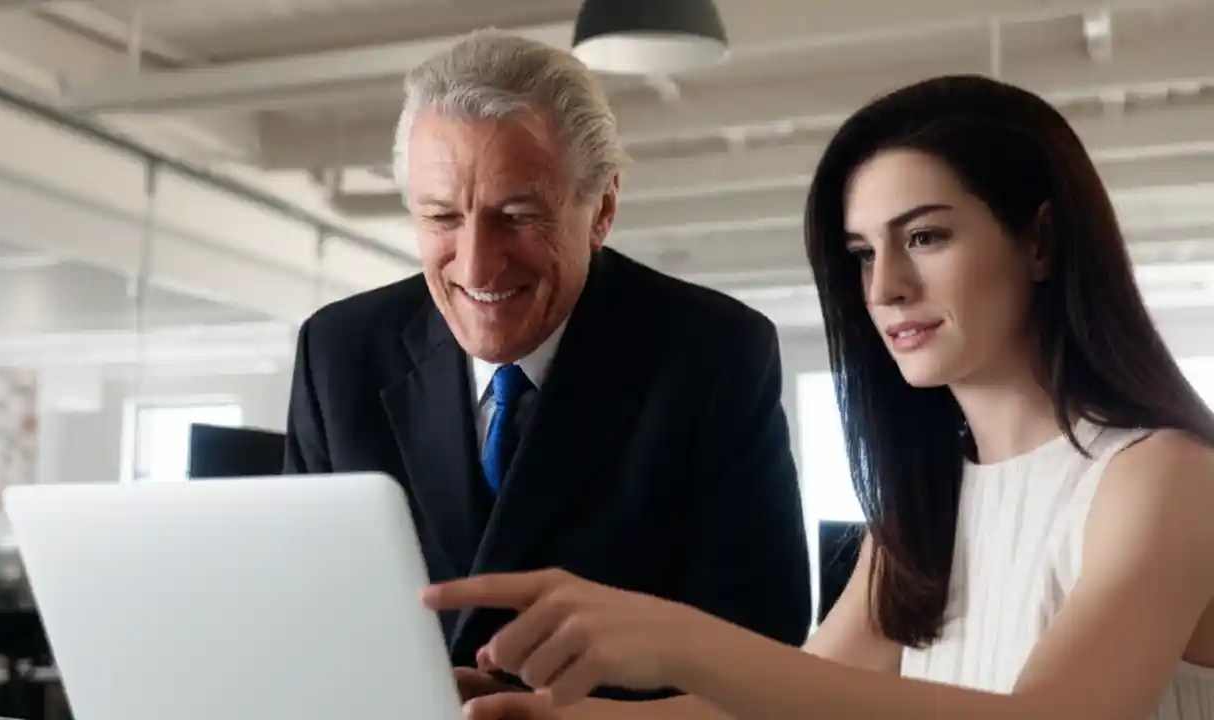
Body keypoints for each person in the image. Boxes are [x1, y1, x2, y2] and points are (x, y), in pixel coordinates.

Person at [424, 74, 1214, 720]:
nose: (886, 288)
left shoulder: (1165, 474)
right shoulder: (928, 501)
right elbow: (779, 708)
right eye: (862, 253)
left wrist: (679, 640)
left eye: (927, 237)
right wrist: (528, 714)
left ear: (1039, 240)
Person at [281, 29, 812, 705]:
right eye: (442, 217)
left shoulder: (712, 353)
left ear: (603, 209)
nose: (475, 267)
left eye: (517, 217)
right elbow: (309, 606)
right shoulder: (339, 353)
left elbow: (761, 641)